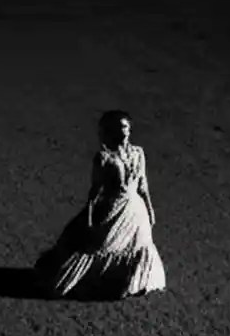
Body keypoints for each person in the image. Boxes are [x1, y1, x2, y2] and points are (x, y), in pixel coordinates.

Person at [33, 110, 166, 299]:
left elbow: (143, 185)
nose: (124, 130)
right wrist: (88, 217)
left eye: (126, 126)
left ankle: (129, 283)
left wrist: (150, 210)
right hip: (113, 209)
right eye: (119, 127)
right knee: (101, 244)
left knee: (139, 245)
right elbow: (95, 191)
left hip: (136, 212)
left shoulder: (138, 153)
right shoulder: (104, 157)